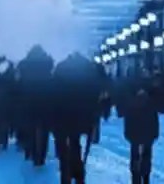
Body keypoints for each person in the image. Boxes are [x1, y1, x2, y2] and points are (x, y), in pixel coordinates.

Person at [52, 52, 104, 184]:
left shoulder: (61, 68)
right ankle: (79, 174)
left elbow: (53, 92)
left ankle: (66, 175)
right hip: (83, 113)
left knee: (65, 146)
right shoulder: (89, 69)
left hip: (64, 113)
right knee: (76, 143)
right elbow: (96, 91)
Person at [18, 45, 56, 166]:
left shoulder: (24, 64)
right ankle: (41, 156)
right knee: (44, 129)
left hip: (28, 100)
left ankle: (31, 151)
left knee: (30, 127)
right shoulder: (47, 64)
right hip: (45, 100)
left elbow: (19, 82)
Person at [123, 81, 159, 184]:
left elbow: (128, 122)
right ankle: (146, 178)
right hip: (148, 136)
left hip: (134, 136)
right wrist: (154, 135)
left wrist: (128, 135)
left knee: (135, 158)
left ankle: (136, 179)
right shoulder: (151, 105)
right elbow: (154, 122)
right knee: (146, 158)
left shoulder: (131, 105)